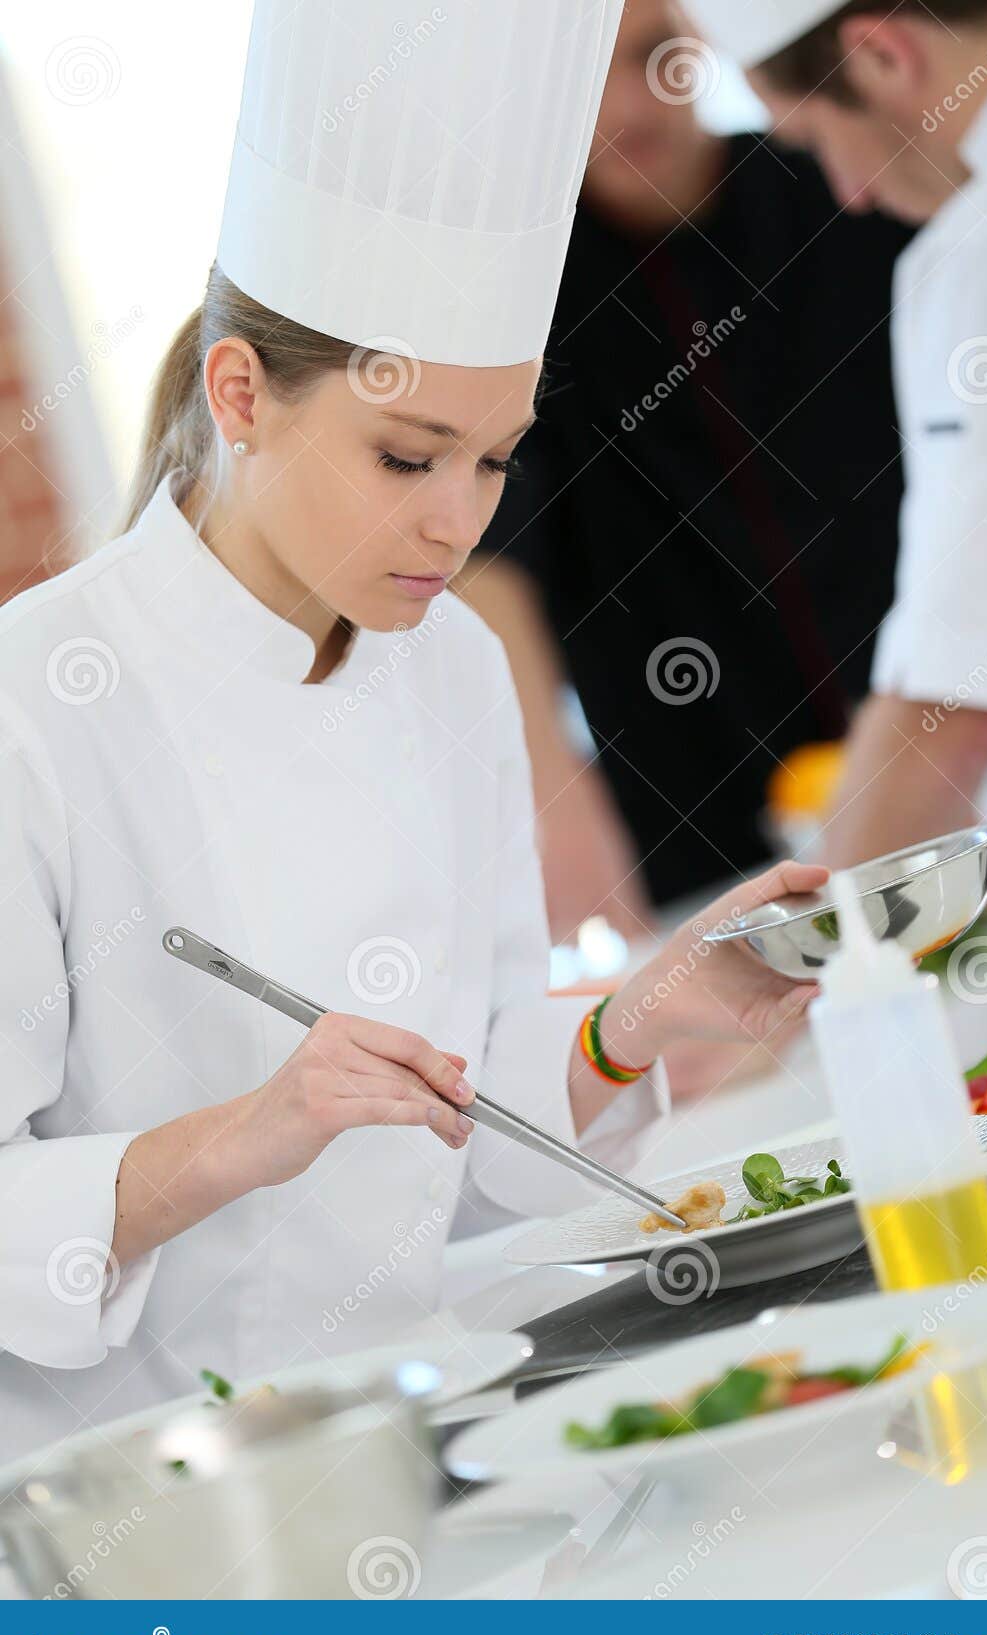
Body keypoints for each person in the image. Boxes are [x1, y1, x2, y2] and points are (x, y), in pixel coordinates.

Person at [0, 0, 828, 1459]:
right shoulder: (36, 702)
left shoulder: (443, 665)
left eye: (495, 459)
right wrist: (241, 1135)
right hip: (138, 1484)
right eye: (404, 457)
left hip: (427, 1418)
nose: (457, 524)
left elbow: (476, 1118)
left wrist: (634, 1019)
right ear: (239, 393)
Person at [459, 0, 909, 944]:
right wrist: (546, 791)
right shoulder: (510, 302)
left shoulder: (846, 187)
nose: (633, 104)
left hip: (941, 764)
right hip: (700, 835)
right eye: (586, 81)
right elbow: (485, 553)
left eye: (655, 58)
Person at [694, 0, 987, 1034]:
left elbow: (948, 703)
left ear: (883, 54)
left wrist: (772, 989)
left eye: (817, 140)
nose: (850, 195)